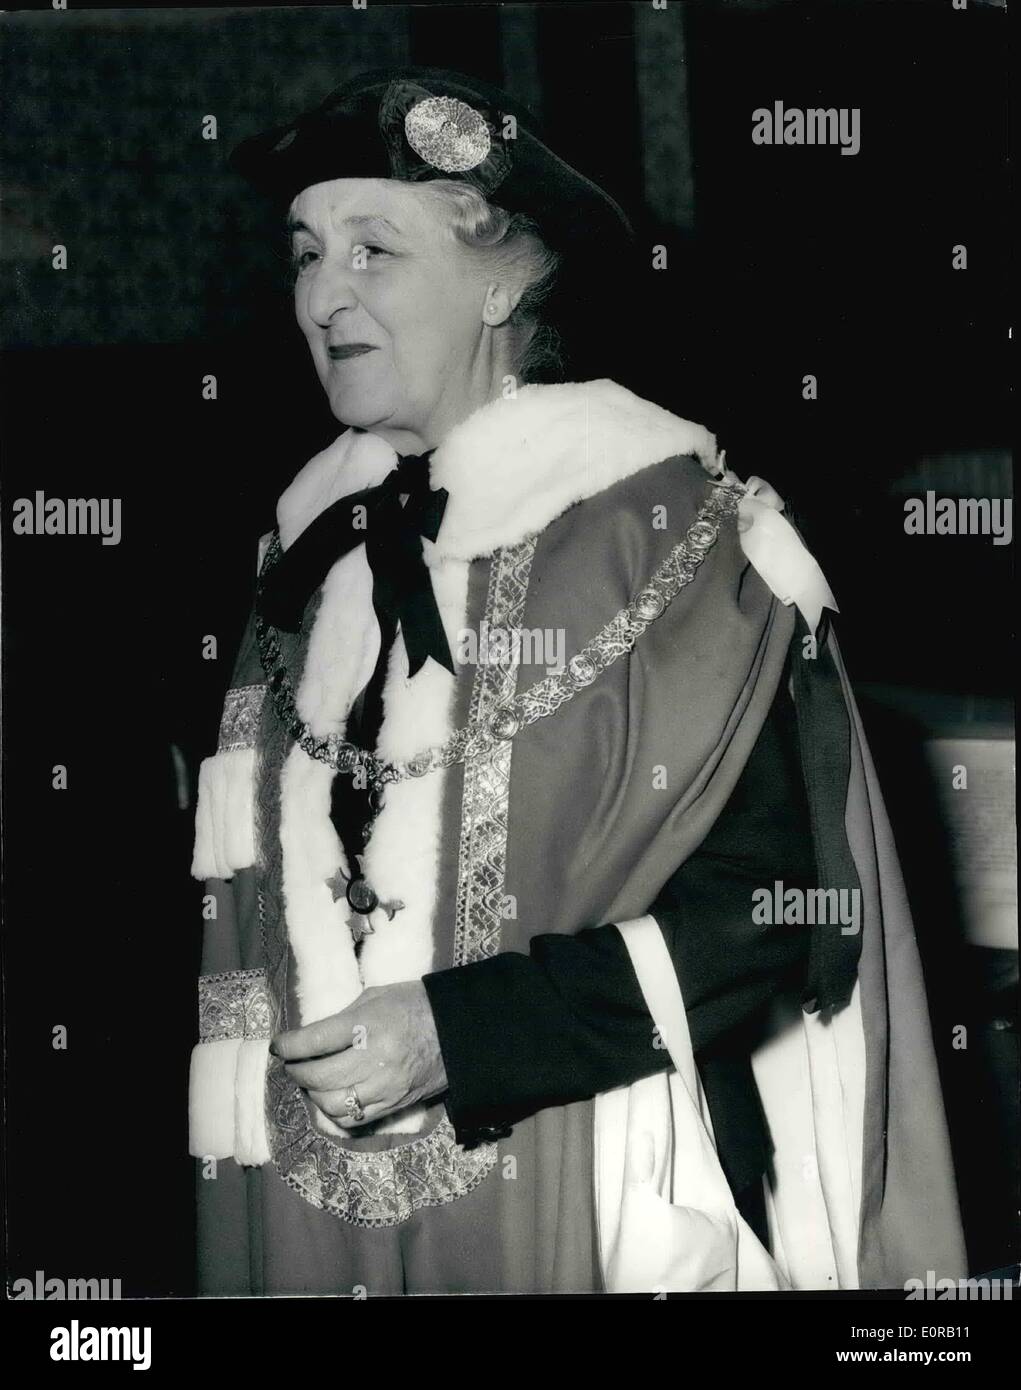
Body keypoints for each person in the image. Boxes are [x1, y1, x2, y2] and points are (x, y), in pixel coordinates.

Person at [188, 66, 965, 1294]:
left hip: (595, 1185)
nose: (321, 293)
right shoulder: (303, 549)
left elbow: (776, 908)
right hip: (316, 1220)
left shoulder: (669, 527)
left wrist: (468, 1031)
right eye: (303, 253)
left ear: (505, 279)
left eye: (372, 250)